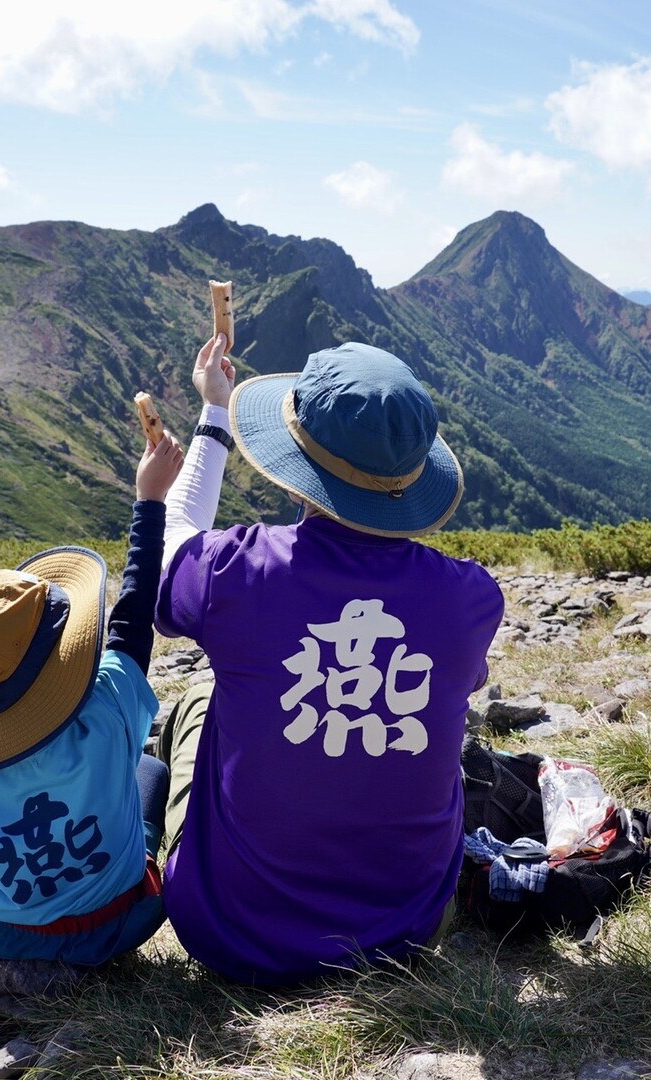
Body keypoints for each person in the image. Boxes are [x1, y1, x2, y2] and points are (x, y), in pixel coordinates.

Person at [154, 333, 506, 985]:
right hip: (409, 930)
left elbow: (166, 545)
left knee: (198, 704)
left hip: (232, 930)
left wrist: (213, 414)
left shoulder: (235, 572)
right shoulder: (470, 599)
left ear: (296, 463)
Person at [0, 433, 184, 993]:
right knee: (151, 770)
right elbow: (134, 621)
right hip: (115, 926)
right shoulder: (107, 706)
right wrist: (150, 500)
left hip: (1, 933)